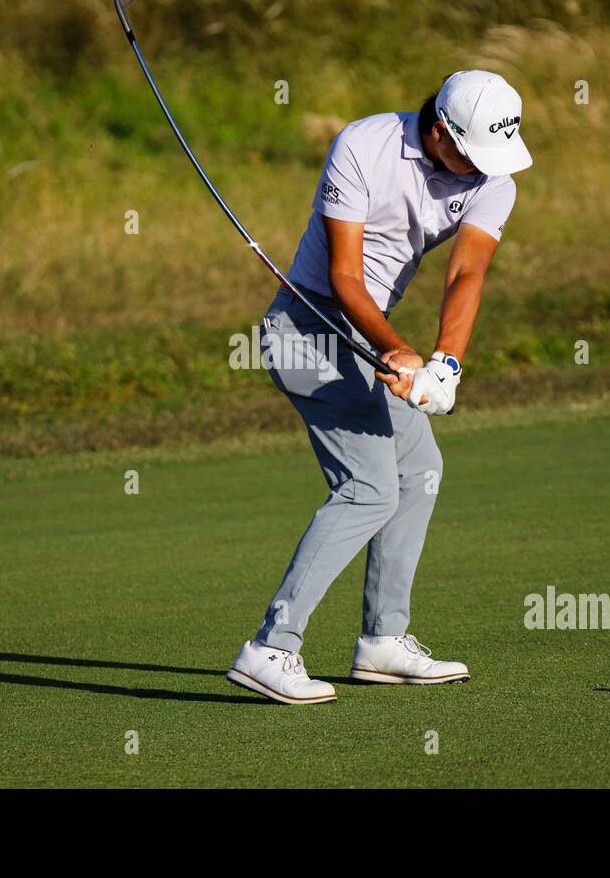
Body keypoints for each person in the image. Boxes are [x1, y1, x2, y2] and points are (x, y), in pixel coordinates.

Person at [226, 70, 533, 704]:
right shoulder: (365, 144)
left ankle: (383, 642)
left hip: (367, 339)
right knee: (367, 487)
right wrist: (394, 348)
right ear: (441, 132)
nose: (484, 171)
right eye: (473, 156)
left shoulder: (493, 178)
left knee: (419, 470)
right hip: (305, 328)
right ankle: (270, 648)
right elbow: (343, 275)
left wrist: (447, 362)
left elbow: (466, 272)